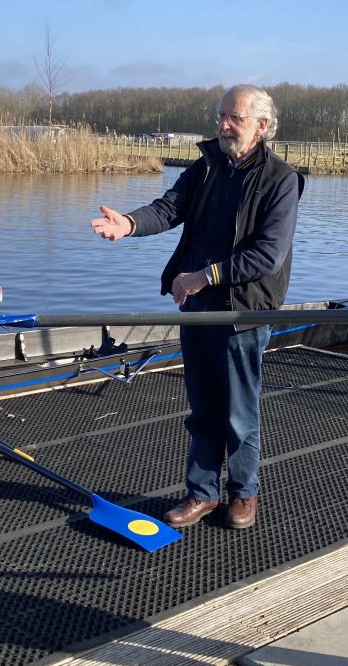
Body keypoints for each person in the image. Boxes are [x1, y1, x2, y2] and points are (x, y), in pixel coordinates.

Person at [90, 85, 303, 530]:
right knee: (203, 408)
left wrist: (205, 275)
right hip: (198, 307)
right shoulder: (206, 166)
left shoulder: (280, 179)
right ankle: (202, 494)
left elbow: (269, 255)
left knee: (239, 411)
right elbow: (169, 208)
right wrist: (128, 224)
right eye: (221, 116)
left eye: (235, 119)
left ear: (261, 126)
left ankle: (244, 494)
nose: (224, 126)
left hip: (243, 311)